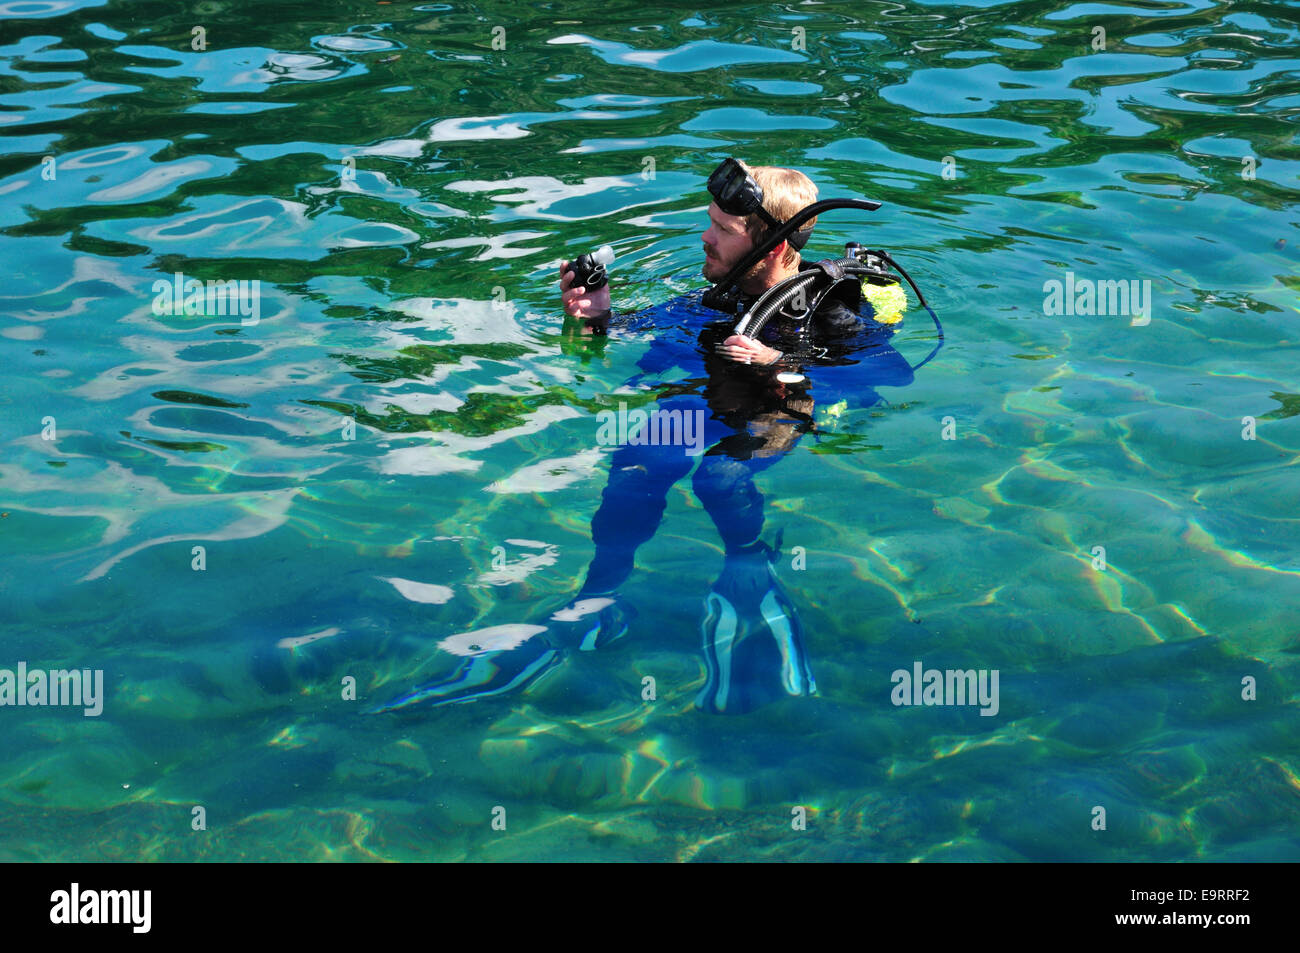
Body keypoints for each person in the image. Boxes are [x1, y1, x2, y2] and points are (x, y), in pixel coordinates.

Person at [375, 161, 915, 716]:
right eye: (711, 222)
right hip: (717, 392)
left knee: (720, 477)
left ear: (773, 248)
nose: (705, 237)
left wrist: (782, 360)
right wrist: (597, 317)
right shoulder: (723, 292)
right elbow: (642, 333)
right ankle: (598, 596)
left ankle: (750, 572)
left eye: (724, 231)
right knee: (637, 461)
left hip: (784, 401)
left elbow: (891, 373)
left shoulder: (829, 307)